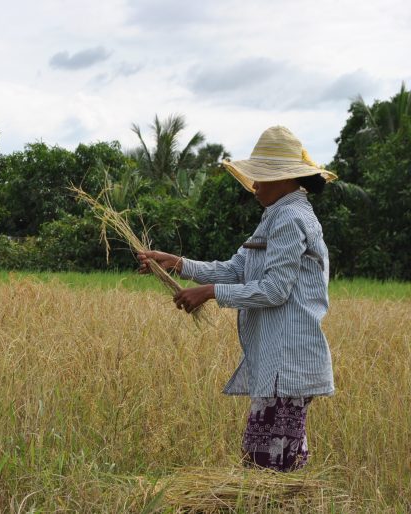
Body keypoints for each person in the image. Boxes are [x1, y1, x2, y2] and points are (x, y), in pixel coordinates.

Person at [137, 126, 337, 472]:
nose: (255, 186)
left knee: (272, 464)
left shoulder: (291, 218)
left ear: (285, 179)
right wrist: (179, 264)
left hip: (288, 361)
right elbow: (236, 269)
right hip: (277, 362)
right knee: (269, 462)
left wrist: (210, 293)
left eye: (261, 178)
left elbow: (275, 289)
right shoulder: (275, 215)